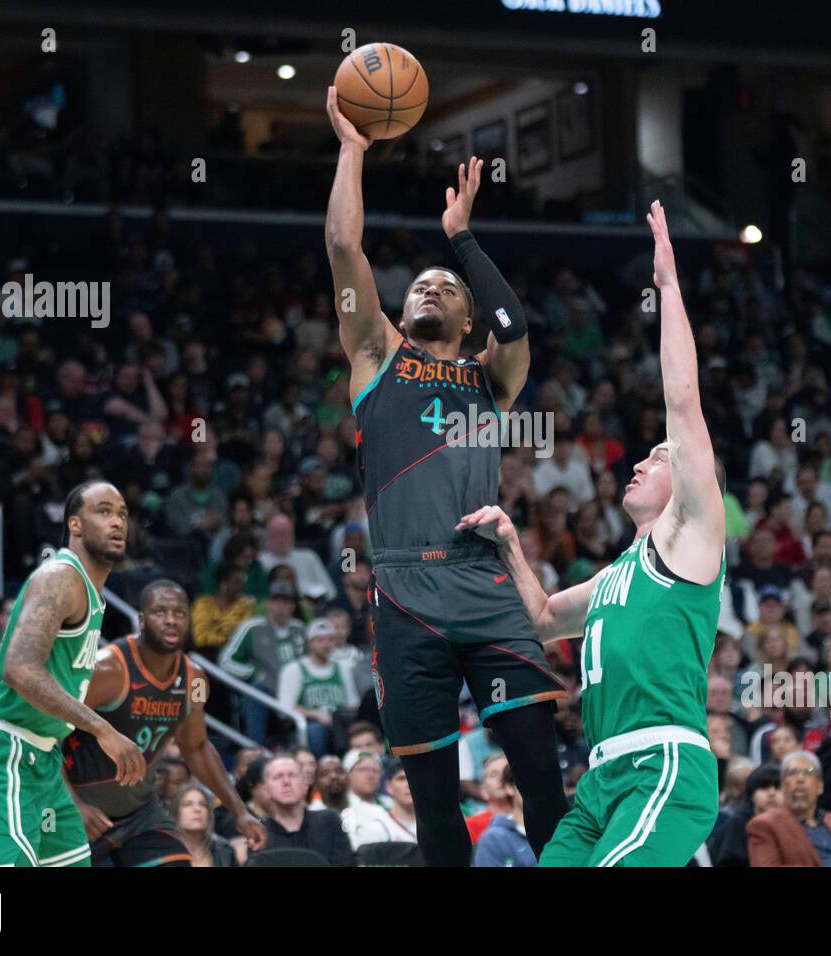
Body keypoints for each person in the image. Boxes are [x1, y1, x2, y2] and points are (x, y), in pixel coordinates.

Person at [325, 89, 566, 868]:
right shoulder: (377, 357)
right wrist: (353, 150)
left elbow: (515, 327)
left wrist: (461, 240)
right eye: (419, 285)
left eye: (446, 288)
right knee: (433, 798)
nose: (428, 289)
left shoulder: (493, 380)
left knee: (540, 775)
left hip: (486, 588)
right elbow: (341, 248)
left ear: (467, 321)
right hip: (404, 593)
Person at [460, 202, 724, 866]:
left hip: (664, 764)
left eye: (658, 458)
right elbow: (545, 621)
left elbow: (683, 398)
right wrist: (512, 544)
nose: (638, 461)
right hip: (602, 777)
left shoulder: (692, 535)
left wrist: (667, 287)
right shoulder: (617, 575)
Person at [0, 480, 146, 867]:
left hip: (43, 756)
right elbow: (19, 669)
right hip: (3, 747)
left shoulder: (94, 593)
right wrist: (103, 730)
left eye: (123, 513)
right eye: (104, 511)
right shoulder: (61, 577)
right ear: (75, 525)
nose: (117, 522)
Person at [63, 580, 266, 866]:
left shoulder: (195, 679)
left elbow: (195, 747)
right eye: (160, 612)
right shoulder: (107, 669)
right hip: (81, 811)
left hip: (140, 813)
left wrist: (239, 811)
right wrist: (72, 805)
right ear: (142, 620)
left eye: (180, 613)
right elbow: (46, 736)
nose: (171, 620)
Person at [219, 579, 306, 744]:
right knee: (256, 691)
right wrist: (253, 673)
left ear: (293, 606)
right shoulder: (252, 627)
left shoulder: (300, 629)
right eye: (276, 601)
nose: (281, 606)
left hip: (297, 693)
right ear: (268, 604)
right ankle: (255, 748)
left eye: (286, 602)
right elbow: (225, 661)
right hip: (266, 692)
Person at [747, 750, 831, 866]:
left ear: (820, 786)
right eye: (792, 773)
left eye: (809, 772)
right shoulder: (764, 825)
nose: (800, 779)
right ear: (783, 786)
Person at [252, 752, 355, 866]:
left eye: (292, 775)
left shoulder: (330, 820)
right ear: (266, 790)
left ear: (305, 785)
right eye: (277, 777)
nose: (286, 782)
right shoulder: (260, 835)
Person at [278, 618, 359, 757]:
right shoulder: (294, 669)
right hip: (310, 726)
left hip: (339, 724)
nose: (326, 644)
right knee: (316, 730)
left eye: (330, 640)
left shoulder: (342, 668)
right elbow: (285, 708)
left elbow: (353, 703)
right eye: (320, 640)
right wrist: (316, 714)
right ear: (310, 643)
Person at [473, 761, 536, 867]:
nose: (500, 778)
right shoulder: (493, 839)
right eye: (494, 774)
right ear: (510, 787)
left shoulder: (561, 827)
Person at [171, 783, 238, 867]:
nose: (197, 809)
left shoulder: (225, 851)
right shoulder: (163, 852)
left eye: (203, 804)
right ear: (175, 813)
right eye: (188, 804)